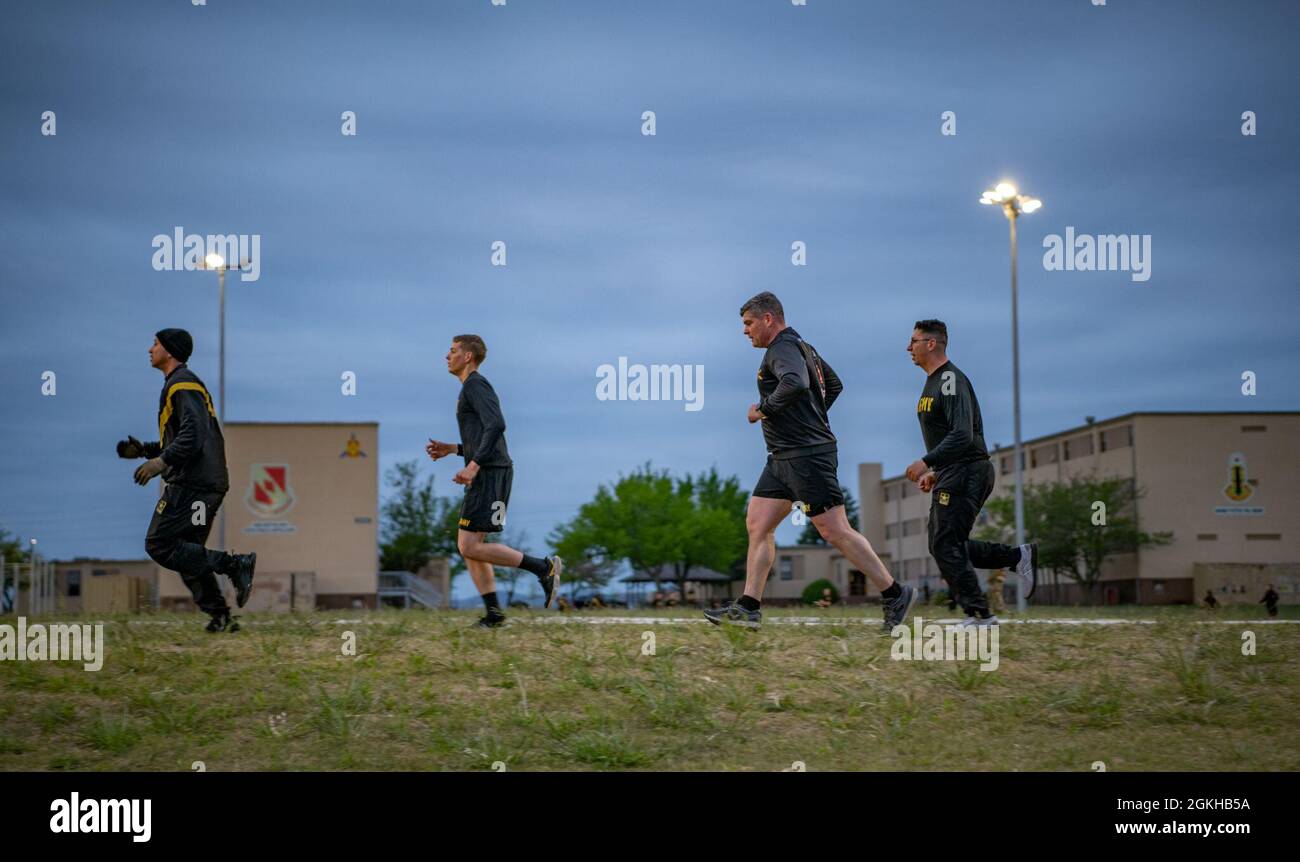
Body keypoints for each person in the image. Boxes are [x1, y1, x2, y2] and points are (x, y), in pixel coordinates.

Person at [705, 292, 915, 632]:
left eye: (748, 323)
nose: (745, 331)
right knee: (758, 524)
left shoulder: (783, 349)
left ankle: (895, 593)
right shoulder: (804, 347)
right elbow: (832, 385)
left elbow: (796, 383)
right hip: (781, 458)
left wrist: (764, 410)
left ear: (768, 319)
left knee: (834, 530)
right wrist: (809, 416)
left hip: (807, 457)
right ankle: (748, 608)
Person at [116, 329, 255, 633]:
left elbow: (194, 435)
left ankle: (234, 564)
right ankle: (221, 616)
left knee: (160, 544)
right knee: (188, 553)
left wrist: (161, 462)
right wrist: (146, 450)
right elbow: (185, 436)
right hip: (206, 483)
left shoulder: (183, 383)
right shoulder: (180, 384)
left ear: (169, 349)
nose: (149, 349)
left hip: (193, 483)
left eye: (154, 343)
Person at [905, 319, 1037, 628]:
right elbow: (954, 436)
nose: (908, 348)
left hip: (968, 472)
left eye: (914, 341)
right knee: (946, 543)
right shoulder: (934, 381)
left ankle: (980, 615)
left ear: (931, 343)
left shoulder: (950, 380)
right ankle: (1018, 557)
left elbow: (963, 435)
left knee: (945, 544)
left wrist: (926, 462)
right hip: (956, 470)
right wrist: (938, 471)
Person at [426, 334, 561, 628]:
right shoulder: (470, 388)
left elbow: (497, 424)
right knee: (471, 545)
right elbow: (485, 437)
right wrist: (454, 449)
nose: (446, 356)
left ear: (468, 357)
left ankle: (543, 567)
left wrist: (473, 465)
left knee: (468, 546)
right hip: (493, 469)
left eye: (451, 351)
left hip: (489, 473)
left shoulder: (476, 384)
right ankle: (494, 614)